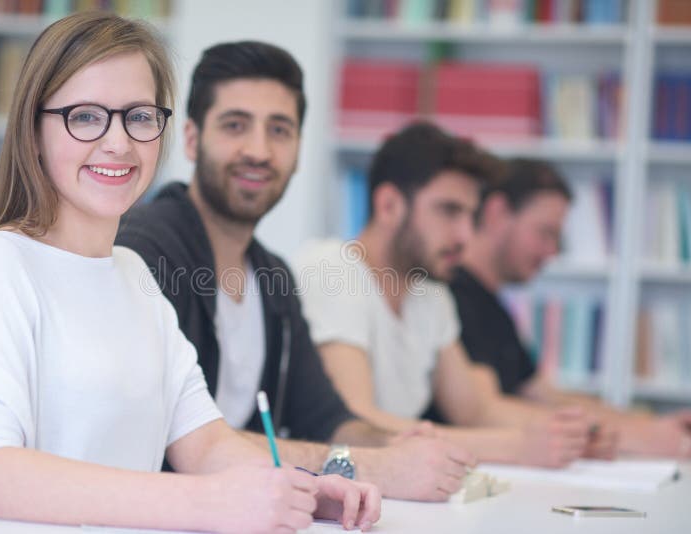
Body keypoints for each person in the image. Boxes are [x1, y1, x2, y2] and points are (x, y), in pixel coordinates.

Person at [0, 13, 381, 532]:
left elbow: (207, 444)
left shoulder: (137, 280)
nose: (119, 143)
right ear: (33, 132)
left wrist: (301, 489)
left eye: (140, 117)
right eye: (84, 116)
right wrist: (207, 503)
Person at [116, 40, 475, 502]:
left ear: (299, 151)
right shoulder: (145, 250)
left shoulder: (273, 277)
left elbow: (326, 419)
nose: (259, 151)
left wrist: (396, 446)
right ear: (191, 138)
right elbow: (169, 439)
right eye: (235, 125)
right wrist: (371, 466)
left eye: (280, 130)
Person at [295, 122, 617, 468]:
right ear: (388, 205)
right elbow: (354, 421)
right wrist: (517, 446)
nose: (465, 234)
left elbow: (476, 409)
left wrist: (563, 435)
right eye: (449, 211)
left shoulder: (431, 293)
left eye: (469, 214)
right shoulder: (331, 268)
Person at [451, 157, 691, 458]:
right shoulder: (455, 296)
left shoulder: (492, 307)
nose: (552, 252)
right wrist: (635, 436)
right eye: (545, 233)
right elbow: (483, 410)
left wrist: (649, 425)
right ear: (497, 212)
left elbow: (543, 393)